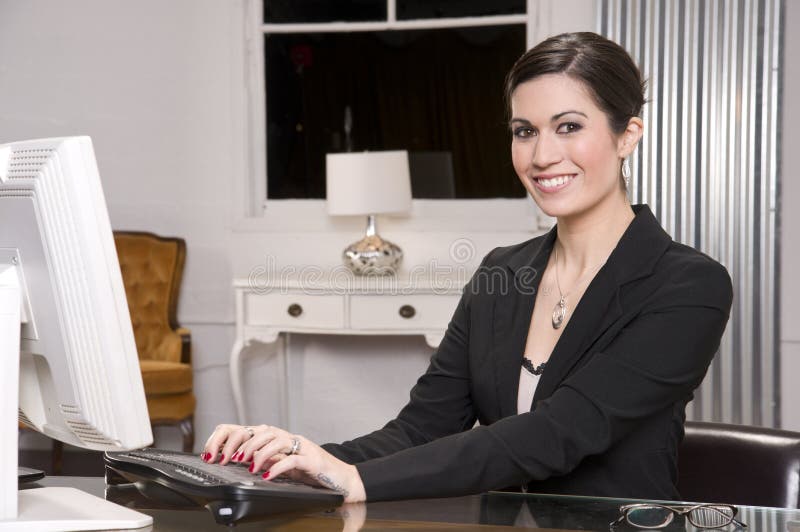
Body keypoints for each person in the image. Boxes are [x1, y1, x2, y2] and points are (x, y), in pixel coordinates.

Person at [202, 32, 733, 504]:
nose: (542, 155)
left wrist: (357, 481)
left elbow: (556, 434)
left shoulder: (688, 286)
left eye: (569, 126)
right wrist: (301, 457)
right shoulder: (500, 274)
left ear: (628, 135)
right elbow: (421, 430)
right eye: (524, 131)